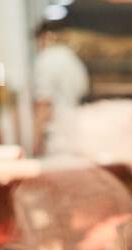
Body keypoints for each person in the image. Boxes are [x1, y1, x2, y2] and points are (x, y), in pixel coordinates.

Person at [32, 19, 90, 157]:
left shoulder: (46, 59)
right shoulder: (73, 59)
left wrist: (35, 142)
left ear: (45, 37)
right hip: (77, 133)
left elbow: (44, 104)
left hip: (55, 135)